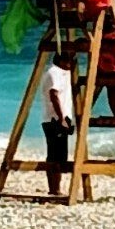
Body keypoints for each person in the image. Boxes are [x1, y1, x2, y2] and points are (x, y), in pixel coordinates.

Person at [41, 51, 77, 195]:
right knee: (55, 156)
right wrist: (61, 118)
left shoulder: (64, 74)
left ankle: (56, 188)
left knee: (60, 155)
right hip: (54, 119)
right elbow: (53, 95)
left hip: (61, 117)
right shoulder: (54, 72)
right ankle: (54, 189)